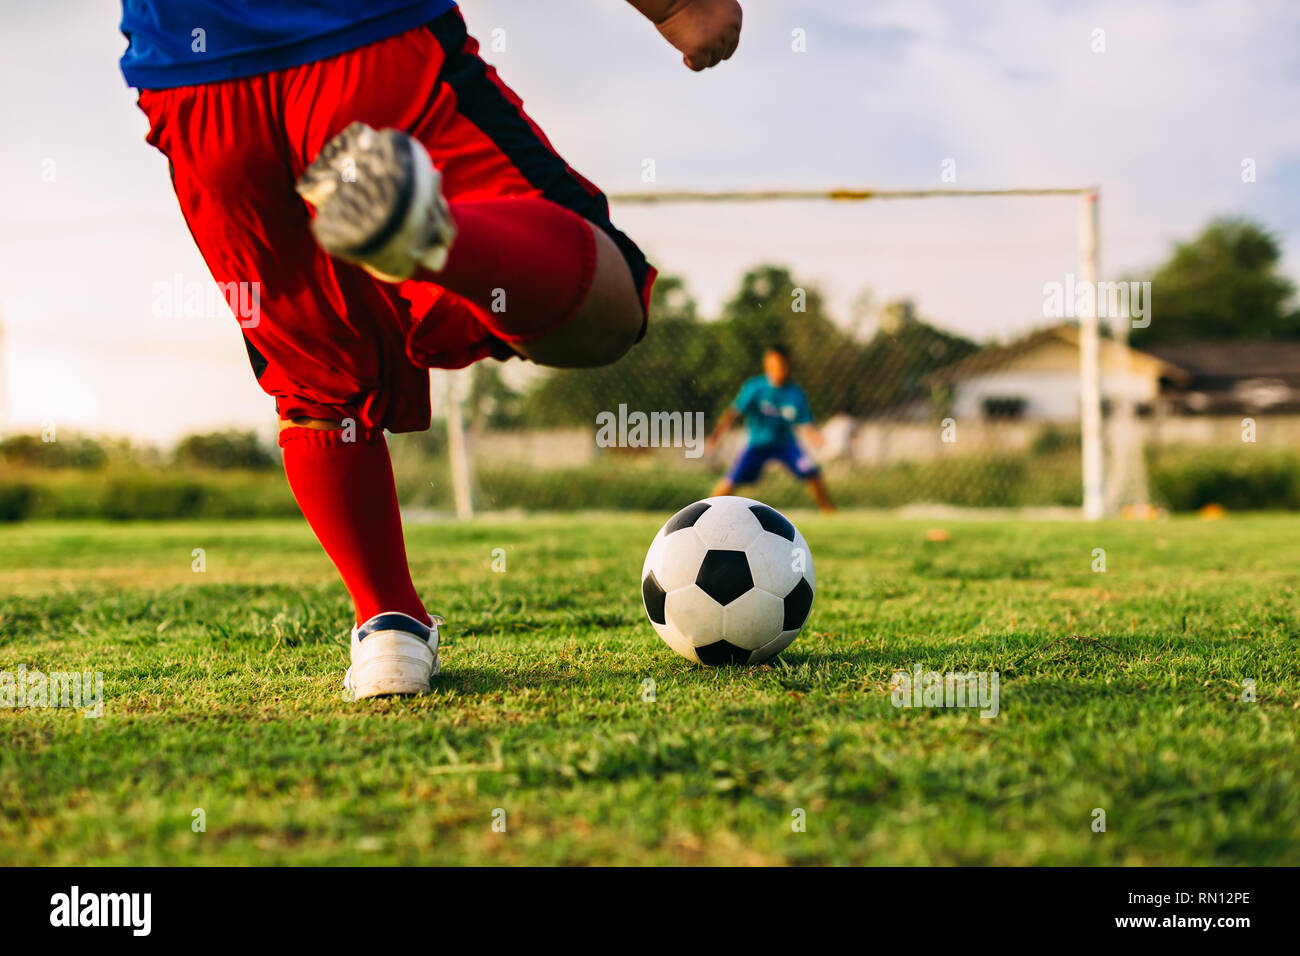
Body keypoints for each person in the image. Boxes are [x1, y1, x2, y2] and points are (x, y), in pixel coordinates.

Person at [119, 0, 744, 698]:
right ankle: (428, 231)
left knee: (315, 375)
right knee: (612, 303)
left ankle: (389, 630)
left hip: (195, 86)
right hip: (362, 38)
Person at [705, 345, 836, 513]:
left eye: (782, 364)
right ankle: (707, 513)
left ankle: (829, 513)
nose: (778, 368)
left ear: (788, 365)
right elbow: (732, 414)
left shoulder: (795, 393)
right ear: (766, 365)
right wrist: (715, 437)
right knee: (731, 481)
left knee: (812, 472)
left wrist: (822, 443)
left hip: (786, 445)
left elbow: (806, 424)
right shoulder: (755, 388)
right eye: (773, 364)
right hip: (757, 445)